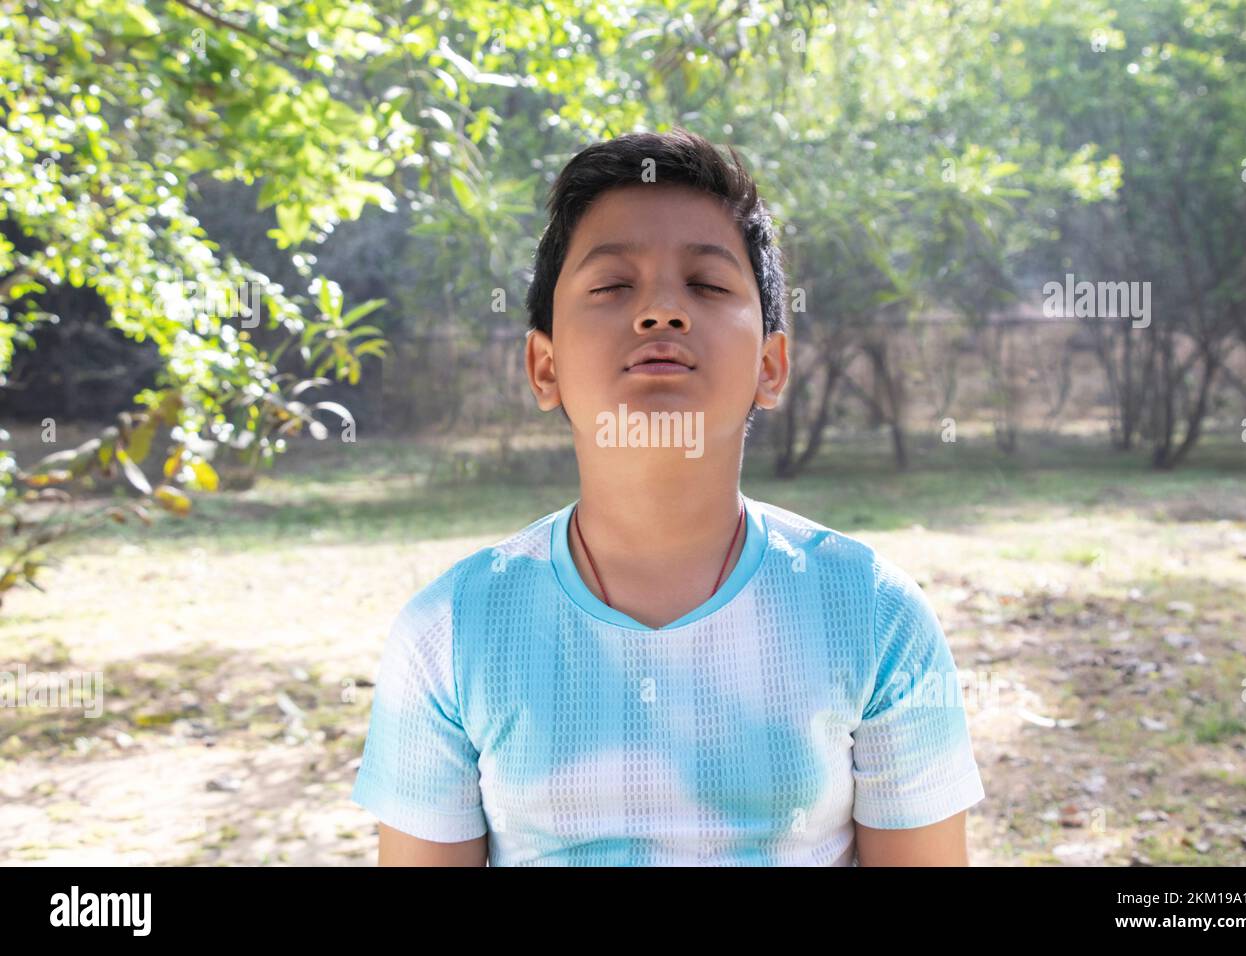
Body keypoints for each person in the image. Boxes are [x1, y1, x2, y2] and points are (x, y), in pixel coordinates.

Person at [350, 127, 985, 866]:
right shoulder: (450, 631)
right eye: (614, 285)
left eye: (708, 285)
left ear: (771, 366)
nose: (660, 313)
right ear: (544, 365)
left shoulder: (873, 613)